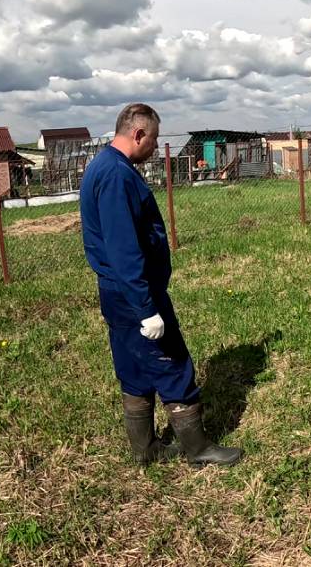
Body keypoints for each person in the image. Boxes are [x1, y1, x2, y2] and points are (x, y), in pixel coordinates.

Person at [80, 103, 241, 467]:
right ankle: (198, 449)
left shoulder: (104, 167)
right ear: (137, 134)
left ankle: (145, 448)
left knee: (134, 369)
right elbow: (124, 249)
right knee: (173, 365)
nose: (154, 147)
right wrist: (146, 308)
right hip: (135, 294)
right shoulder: (117, 176)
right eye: (152, 139)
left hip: (117, 292)